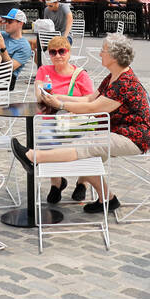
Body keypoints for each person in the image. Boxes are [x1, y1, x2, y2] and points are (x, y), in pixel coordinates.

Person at [16, 33, 150, 213]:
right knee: (84, 149)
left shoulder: (125, 83)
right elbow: (89, 99)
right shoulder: (113, 77)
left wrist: (61, 104)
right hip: (117, 131)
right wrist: (58, 97)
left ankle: (33, 157)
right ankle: (108, 199)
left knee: (85, 146)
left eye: (103, 51)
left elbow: (93, 108)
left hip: (133, 137)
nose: (100, 54)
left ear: (113, 56)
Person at [34, 36, 96, 204]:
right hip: (53, 119)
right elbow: (39, 94)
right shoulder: (44, 71)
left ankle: (82, 182)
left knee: (88, 144)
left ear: (69, 53)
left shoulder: (80, 74)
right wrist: (46, 95)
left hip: (77, 119)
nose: (58, 55)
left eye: (62, 51)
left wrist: (62, 100)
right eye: (53, 52)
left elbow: (90, 99)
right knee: (45, 141)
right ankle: (56, 183)